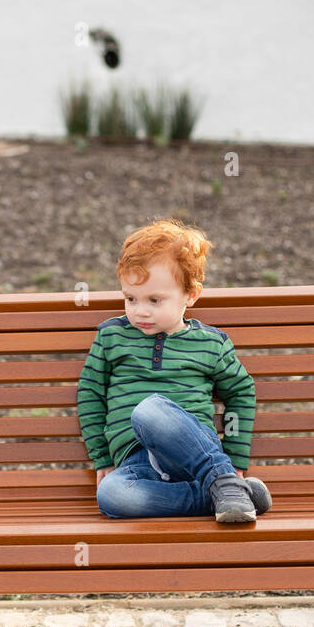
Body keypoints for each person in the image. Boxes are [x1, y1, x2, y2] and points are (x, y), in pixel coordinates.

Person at [77, 218, 272, 523]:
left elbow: (241, 392)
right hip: (136, 461)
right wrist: (102, 457)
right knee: (111, 496)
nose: (140, 310)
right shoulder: (111, 337)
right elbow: (89, 393)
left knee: (149, 411)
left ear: (190, 295)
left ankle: (221, 478)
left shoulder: (210, 343)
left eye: (155, 300)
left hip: (194, 456)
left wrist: (233, 458)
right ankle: (225, 493)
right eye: (130, 298)